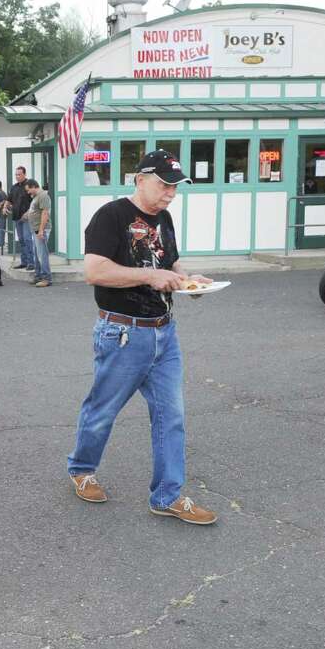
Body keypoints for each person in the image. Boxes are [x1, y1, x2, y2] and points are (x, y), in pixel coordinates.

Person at [68, 150, 217, 525]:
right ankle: (82, 469)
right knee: (103, 410)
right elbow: (94, 271)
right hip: (122, 332)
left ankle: (167, 496)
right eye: (164, 184)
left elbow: (170, 263)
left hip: (164, 332)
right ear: (140, 179)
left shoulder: (164, 219)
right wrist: (150, 277)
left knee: (172, 415)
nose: (171, 193)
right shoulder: (111, 216)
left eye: (175, 187)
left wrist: (188, 280)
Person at [25, 178, 52, 287]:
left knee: (42, 254)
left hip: (41, 230)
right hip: (36, 229)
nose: (28, 192)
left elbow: (45, 213)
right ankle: (38, 276)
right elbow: (35, 211)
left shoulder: (43, 196)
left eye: (28, 190)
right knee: (37, 254)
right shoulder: (36, 197)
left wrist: (41, 230)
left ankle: (46, 278)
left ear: (33, 186)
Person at [10, 167, 34, 270]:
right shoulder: (14, 187)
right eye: (16, 175)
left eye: (19, 174)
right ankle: (24, 262)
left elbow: (34, 201)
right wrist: (6, 206)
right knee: (21, 240)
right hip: (17, 217)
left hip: (27, 218)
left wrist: (28, 213)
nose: (17, 176)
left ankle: (31, 263)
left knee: (27, 239)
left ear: (24, 174)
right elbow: (9, 199)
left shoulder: (29, 185)